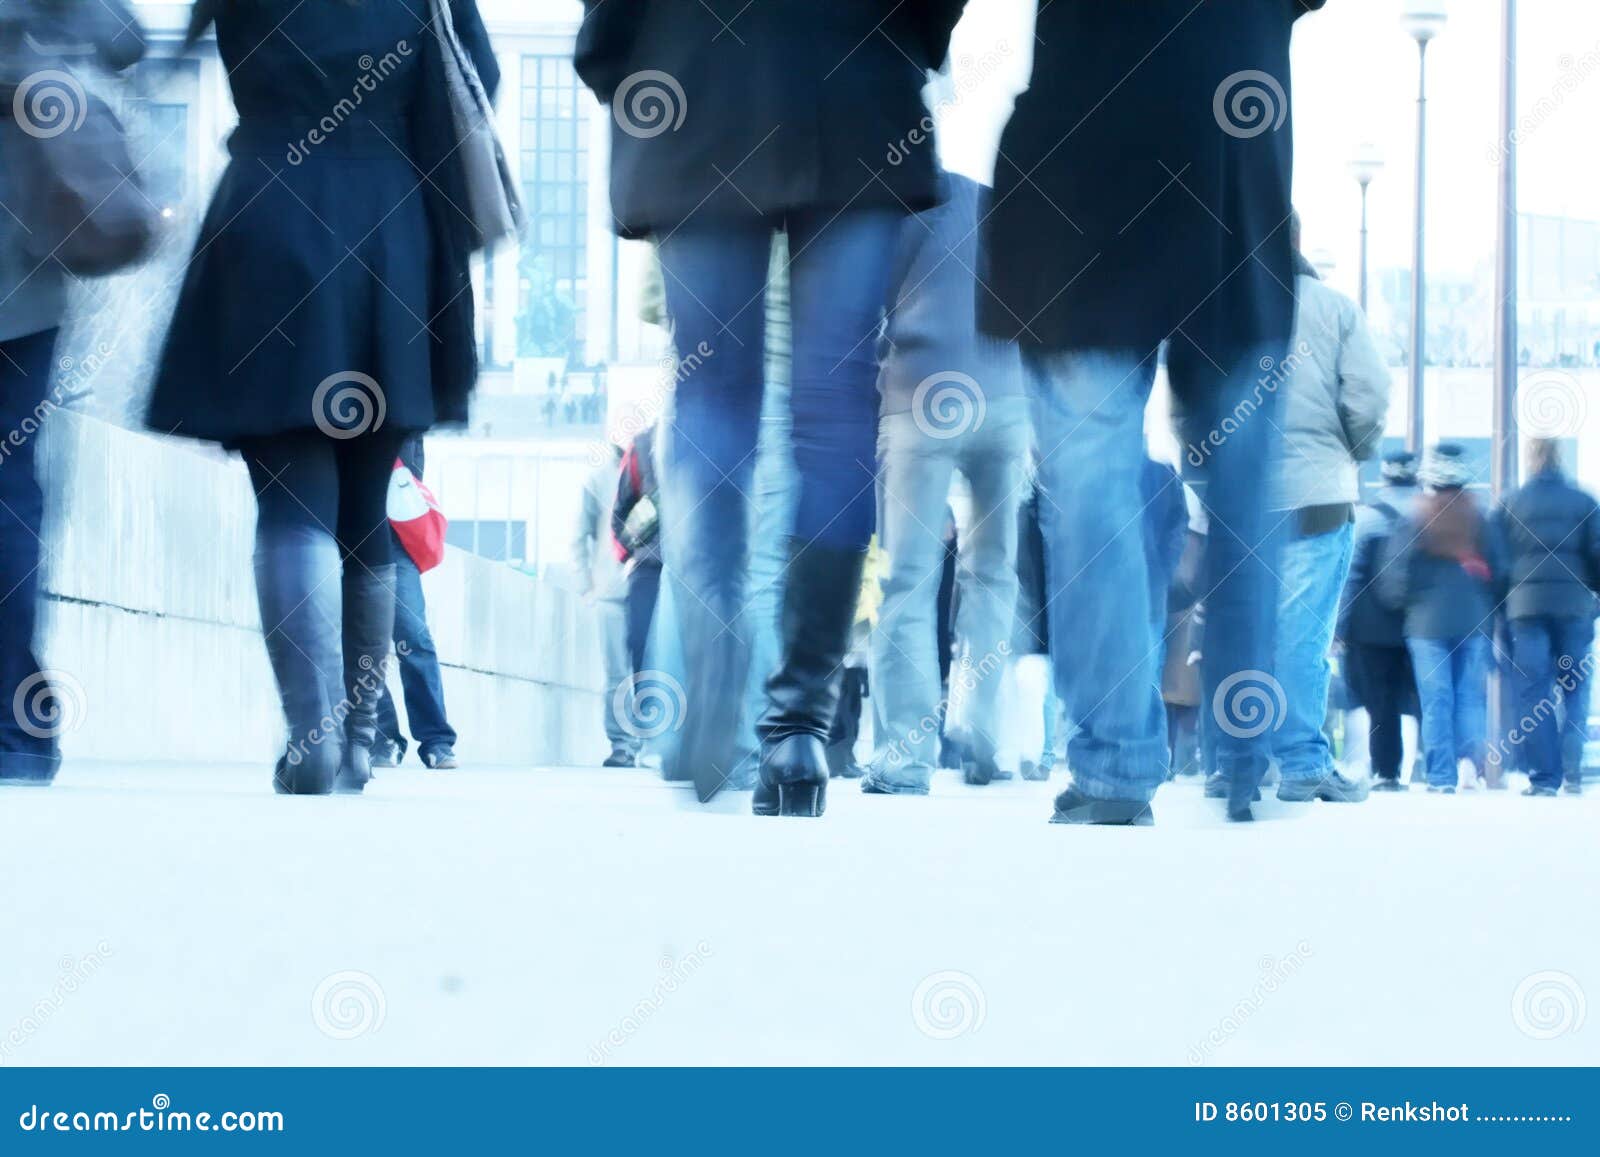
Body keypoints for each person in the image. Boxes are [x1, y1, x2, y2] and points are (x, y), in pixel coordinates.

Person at [575, 0, 967, 817]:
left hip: (692, 77)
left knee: (714, 393)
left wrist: (622, 54)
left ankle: (719, 658)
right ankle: (796, 727)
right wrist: (911, 38)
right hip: (858, 73)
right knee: (834, 400)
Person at [980, 0, 1326, 824]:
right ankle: (1247, 755)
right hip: (1228, 158)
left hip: (1080, 158)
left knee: (1090, 473)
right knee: (1241, 483)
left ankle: (1113, 766)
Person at [147, 0, 498, 794]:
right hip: (392, 229)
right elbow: (479, 76)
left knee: (289, 501)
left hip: (268, 212)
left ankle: (313, 735)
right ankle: (363, 740)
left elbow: (176, 46)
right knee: (366, 510)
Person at [0, 0, 145, 785]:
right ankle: (17, 730)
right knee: (11, 496)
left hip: (22, 271)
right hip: (19, 275)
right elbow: (125, 37)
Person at [862, 173, 1030, 796]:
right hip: (1006, 398)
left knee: (907, 579)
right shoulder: (993, 200)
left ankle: (906, 759)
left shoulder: (889, 208)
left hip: (921, 397)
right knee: (994, 573)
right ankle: (984, 738)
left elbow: (860, 309)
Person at [1258, 215, 1390, 803]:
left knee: (1244, 629)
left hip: (1244, 500)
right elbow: (1369, 393)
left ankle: (1232, 761)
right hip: (1318, 495)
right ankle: (1302, 762)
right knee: (1302, 635)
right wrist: (1352, 451)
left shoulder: (1221, 306)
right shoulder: (1334, 309)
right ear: (1296, 240)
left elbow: (1190, 400)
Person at [1380, 444, 1506, 793]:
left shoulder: (1416, 515)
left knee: (1436, 699)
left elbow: (1395, 572)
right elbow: (1501, 570)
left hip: (1426, 624)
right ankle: (1470, 766)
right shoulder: (1479, 517)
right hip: (1473, 620)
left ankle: (1440, 776)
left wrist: (1405, 603)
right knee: (1469, 697)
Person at [1494, 437, 1600, 797]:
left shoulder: (1510, 502)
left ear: (1531, 460)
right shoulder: (1585, 502)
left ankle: (1544, 778)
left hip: (1526, 612)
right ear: (1560, 460)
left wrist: (1500, 610)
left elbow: (1498, 562)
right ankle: (1572, 770)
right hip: (1573, 609)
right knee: (1575, 686)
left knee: (1534, 691)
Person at [372, 437, 459, 771]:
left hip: (393, 535)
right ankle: (384, 737)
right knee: (358, 642)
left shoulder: (399, 400)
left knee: (413, 637)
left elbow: (412, 466)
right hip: (346, 532)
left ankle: (436, 741)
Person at [1338, 452, 1424, 792]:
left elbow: (1349, 578)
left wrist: (1340, 626)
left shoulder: (1366, 518)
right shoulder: (1429, 516)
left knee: (1380, 702)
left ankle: (1386, 772)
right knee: (1427, 698)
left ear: (1385, 478)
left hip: (1370, 626)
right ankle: (1437, 769)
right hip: (1420, 621)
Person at [574, 442, 637, 768]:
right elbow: (579, 535)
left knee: (651, 670)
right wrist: (586, 585)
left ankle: (651, 744)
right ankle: (623, 746)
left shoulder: (662, 470)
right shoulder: (600, 478)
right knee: (616, 675)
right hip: (610, 590)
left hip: (653, 586)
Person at [613, 423, 664, 691]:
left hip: (693, 572)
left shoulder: (643, 442)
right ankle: (648, 726)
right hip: (651, 567)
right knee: (640, 646)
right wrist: (627, 555)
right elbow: (620, 511)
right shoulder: (642, 443)